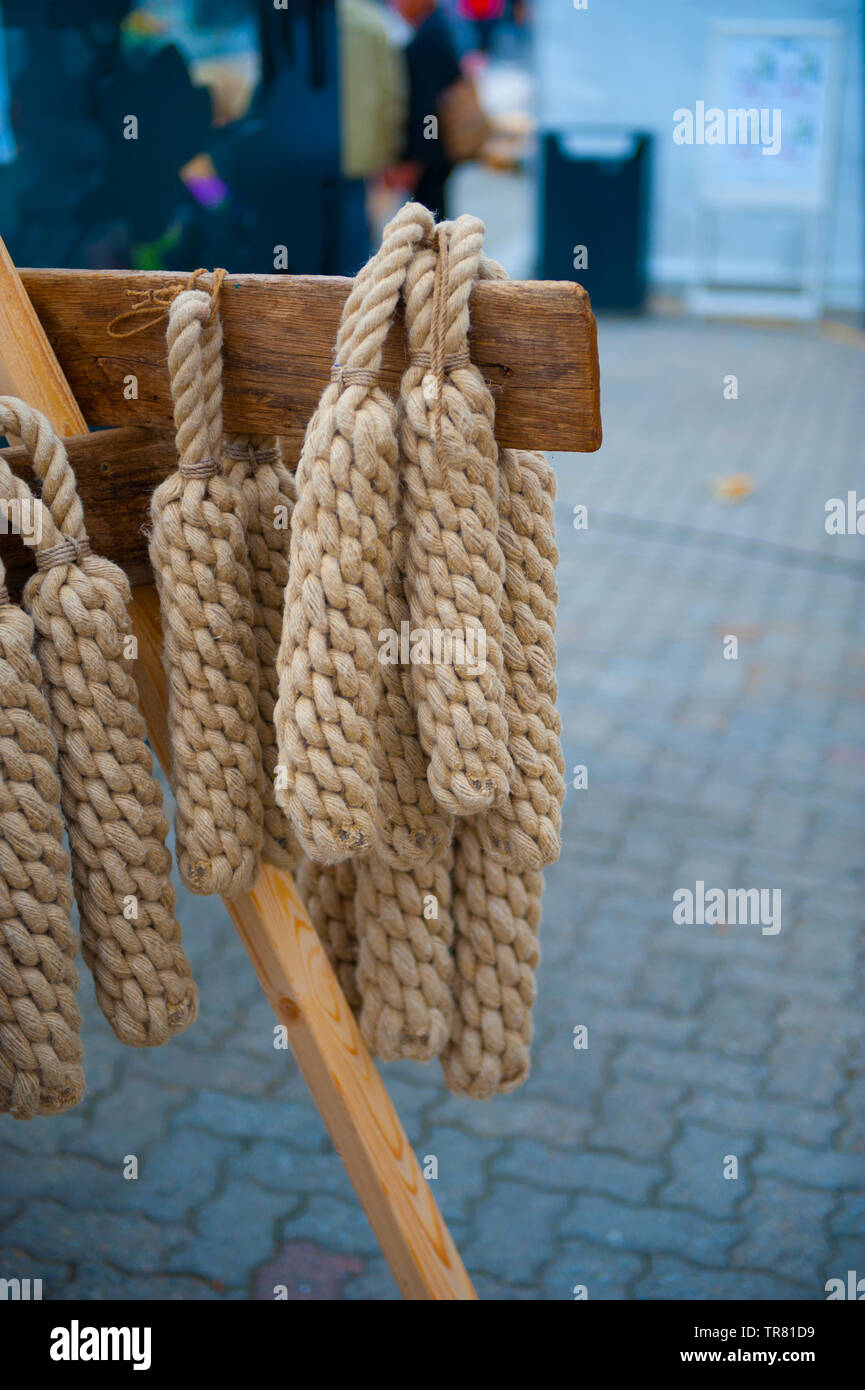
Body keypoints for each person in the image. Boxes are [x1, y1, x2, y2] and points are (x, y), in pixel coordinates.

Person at [389, 0, 461, 218]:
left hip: (430, 153)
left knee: (427, 223)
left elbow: (428, 108)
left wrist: (418, 160)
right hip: (435, 150)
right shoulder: (435, 27)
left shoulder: (429, 37)